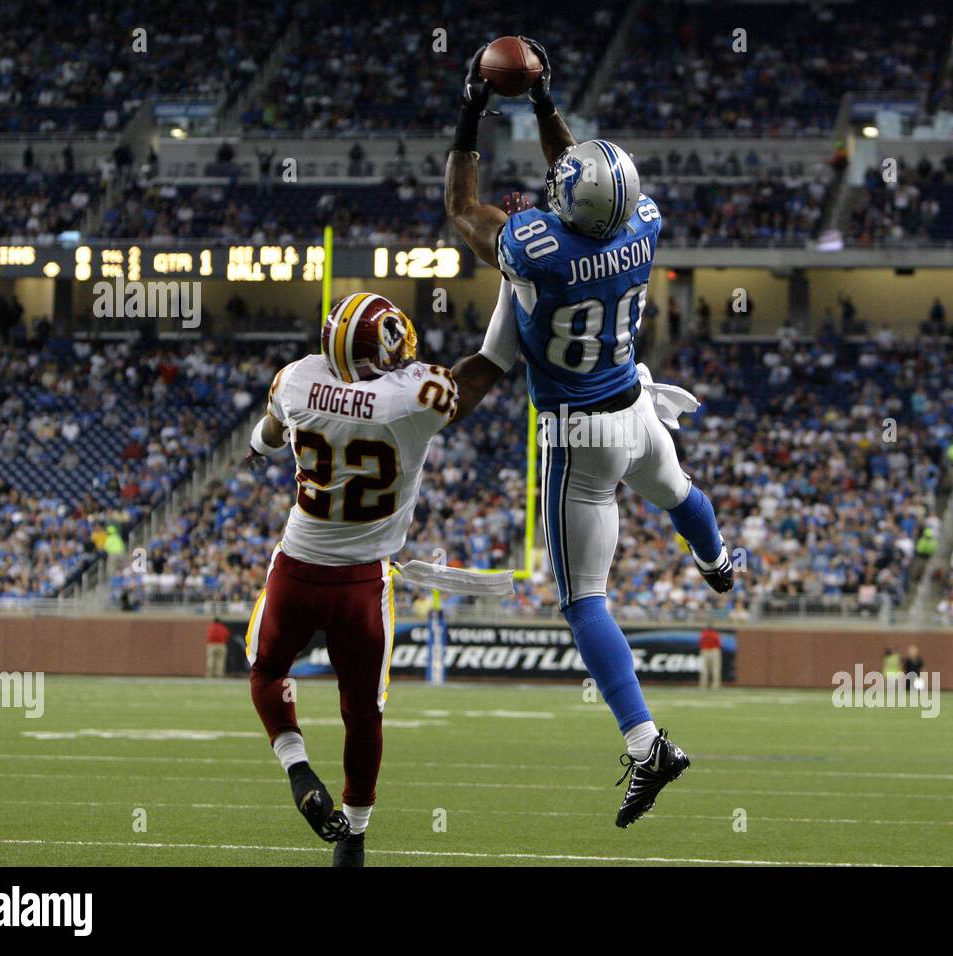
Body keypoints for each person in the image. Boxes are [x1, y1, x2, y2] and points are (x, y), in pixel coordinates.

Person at [444, 37, 732, 828]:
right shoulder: (641, 223)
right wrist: (541, 104)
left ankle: (648, 747)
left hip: (579, 435)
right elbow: (580, 178)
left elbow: (465, 211)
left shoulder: (536, 254)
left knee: (583, 600)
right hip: (637, 407)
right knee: (678, 490)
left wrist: (474, 108)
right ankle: (716, 560)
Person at [245, 290, 512, 866]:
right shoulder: (408, 399)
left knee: (267, 670)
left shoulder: (293, 380)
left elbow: (266, 437)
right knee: (362, 710)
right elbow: (484, 367)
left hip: (297, 566)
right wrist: (515, 292)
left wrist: (257, 447)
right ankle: (355, 834)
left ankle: (297, 770)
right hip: (362, 585)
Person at [698, 624, 722, 690]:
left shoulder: (703, 634)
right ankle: (715, 685)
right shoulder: (715, 634)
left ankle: (703, 685)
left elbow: (700, 642)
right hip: (714, 651)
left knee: (704, 669)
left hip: (705, 651)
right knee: (715, 669)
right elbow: (719, 643)